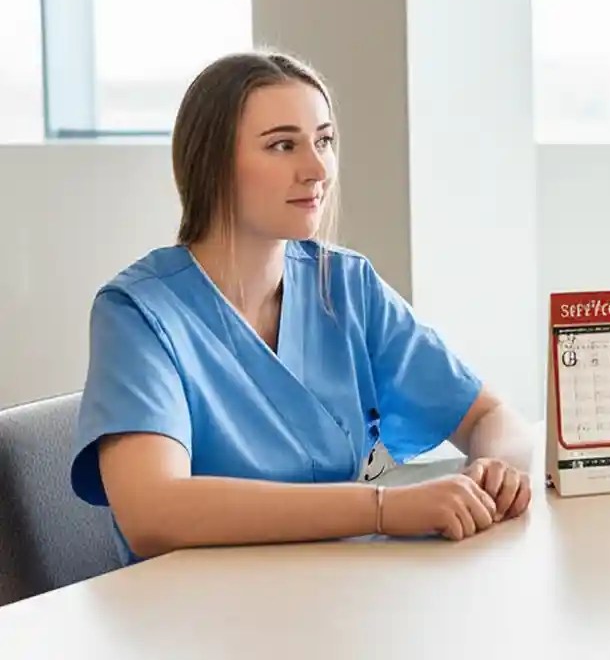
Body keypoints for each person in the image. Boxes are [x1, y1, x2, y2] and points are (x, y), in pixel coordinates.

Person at [70, 51, 534, 565]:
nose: (316, 169)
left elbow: (490, 416)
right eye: (282, 145)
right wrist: (380, 509)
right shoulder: (138, 314)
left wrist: (496, 470)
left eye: (324, 141)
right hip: (198, 621)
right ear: (212, 163)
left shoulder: (345, 285)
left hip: (336, 592)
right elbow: (153, 513)